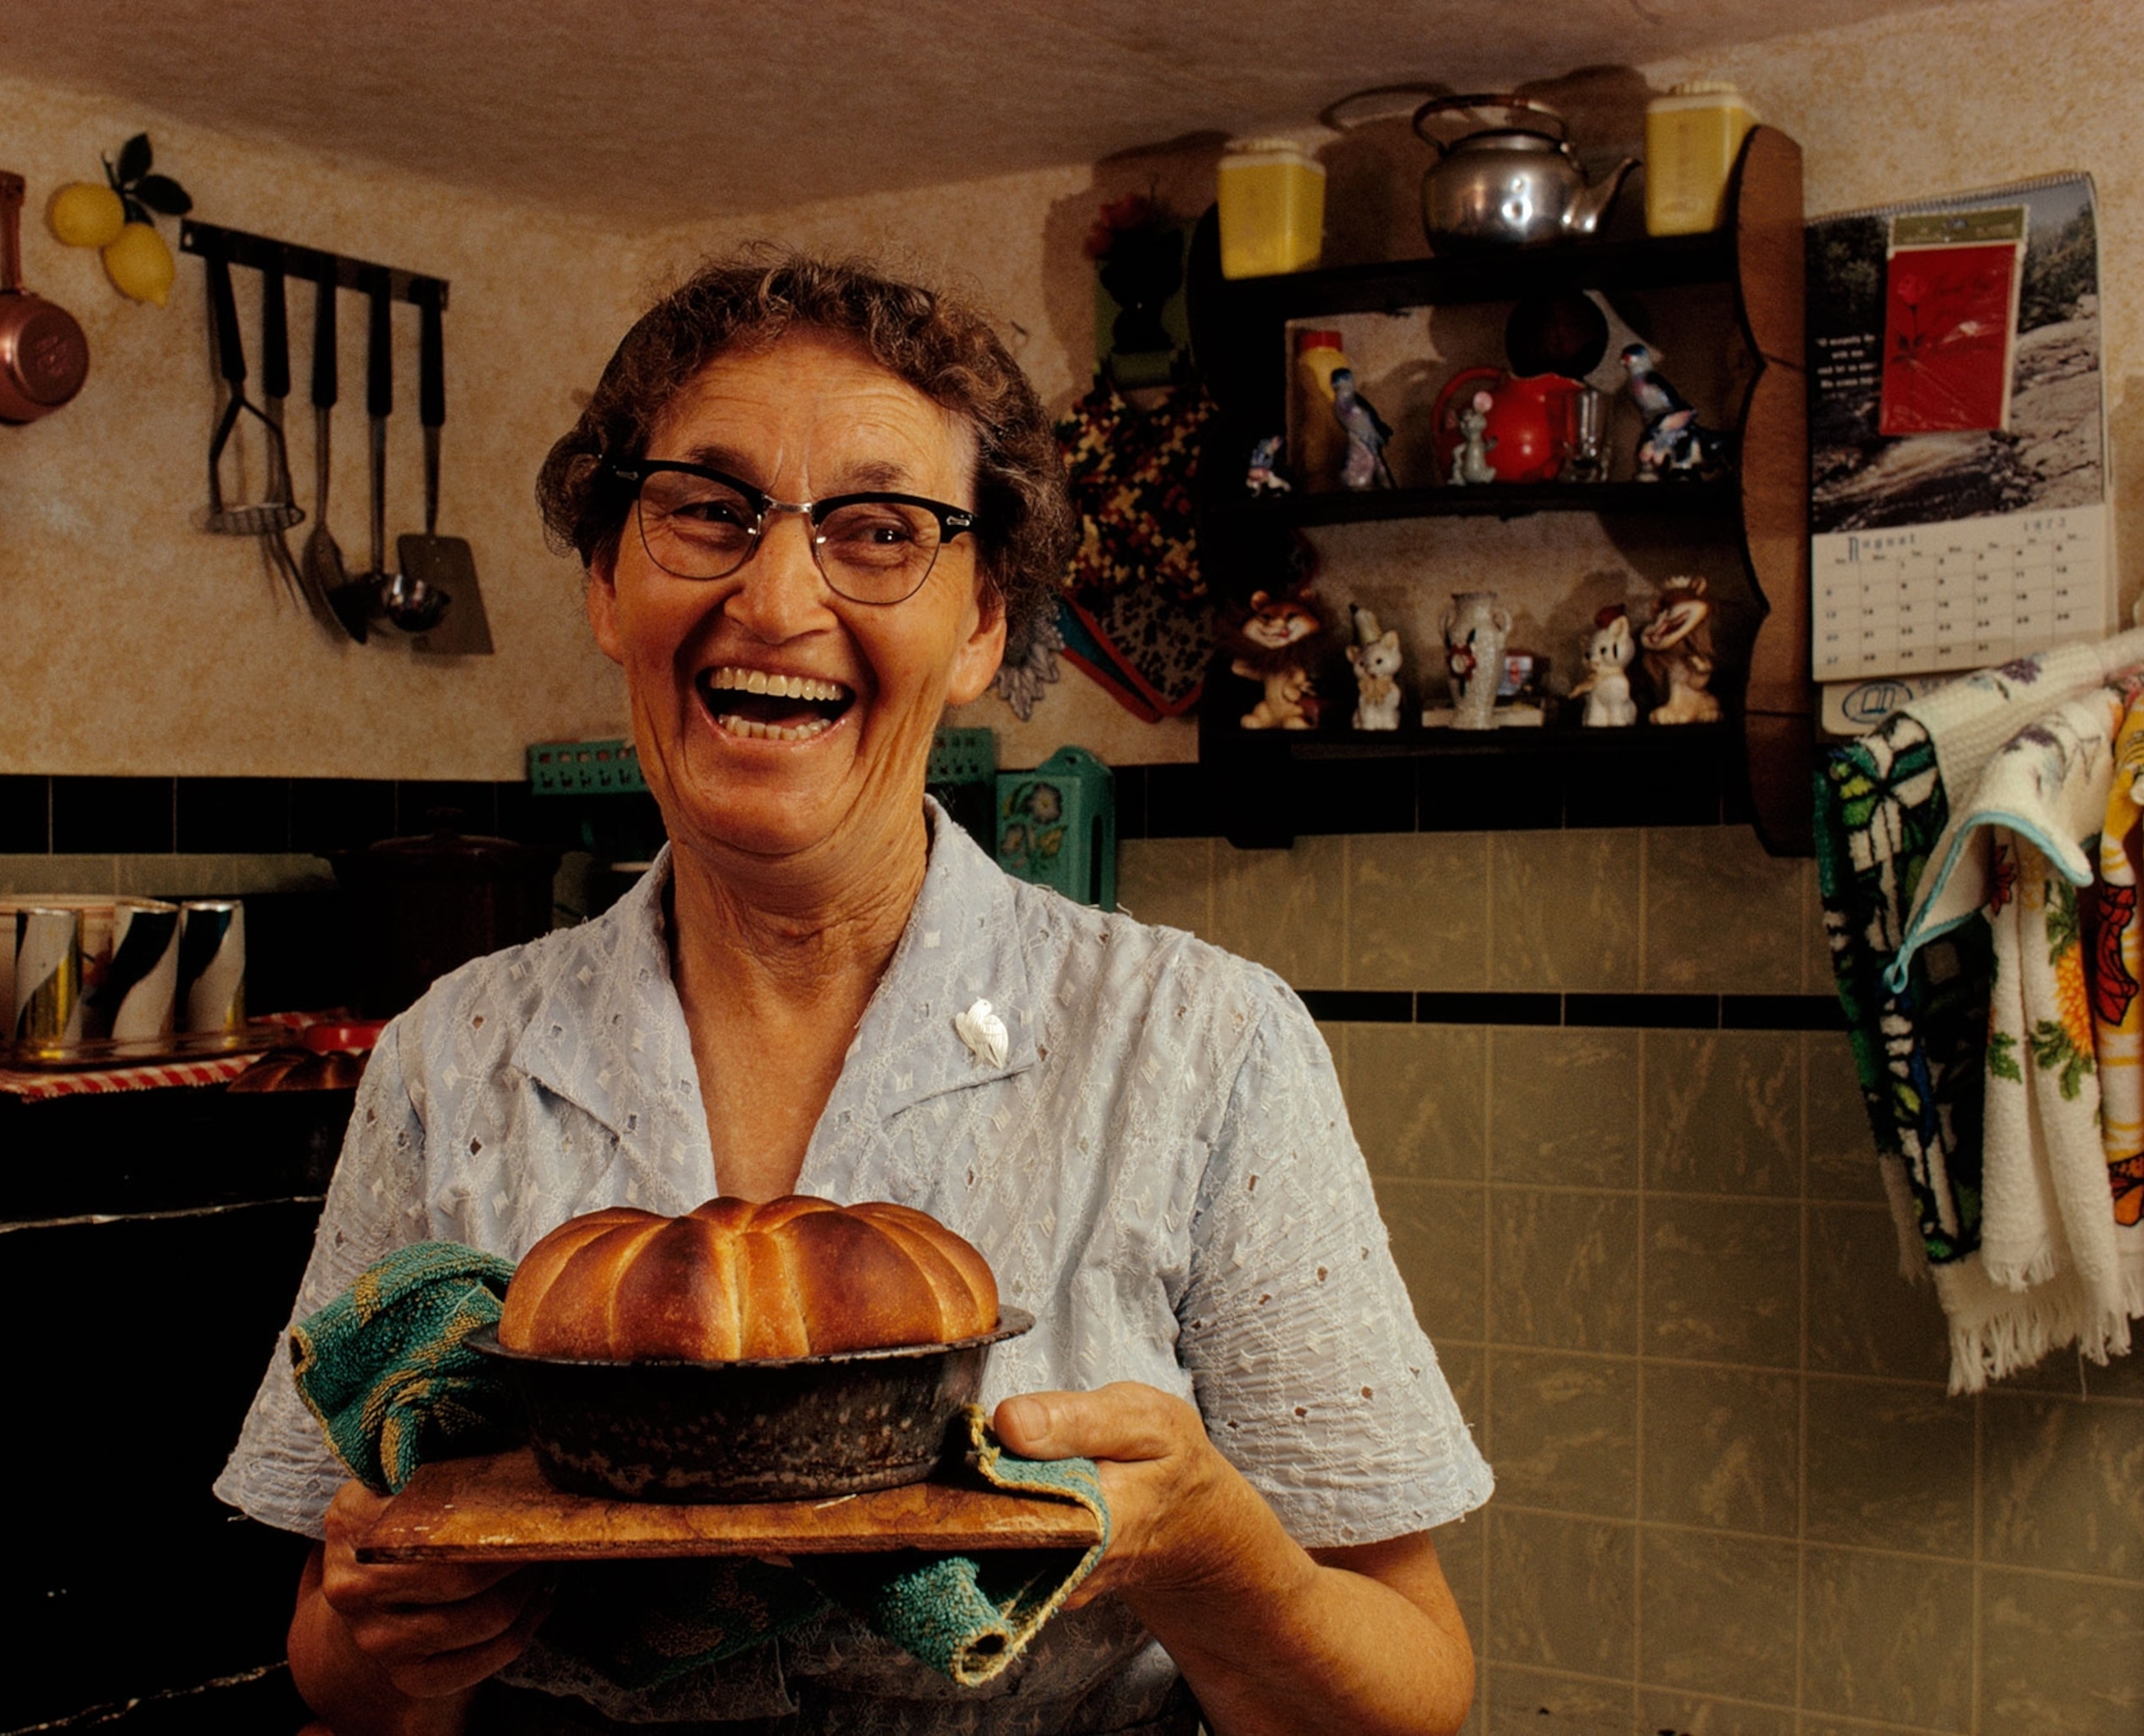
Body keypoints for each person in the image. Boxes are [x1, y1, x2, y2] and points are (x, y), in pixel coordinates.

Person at [215, 250, 1491, 1736]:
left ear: (982, 627)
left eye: (880, 532)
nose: (777, 596)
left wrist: (1217, 1563)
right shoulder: (453, 1059)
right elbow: (334, 1645)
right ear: (607, 582)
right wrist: (391, 1647)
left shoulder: (1203, 1048)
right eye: (706, 510)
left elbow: (1410, 1692)